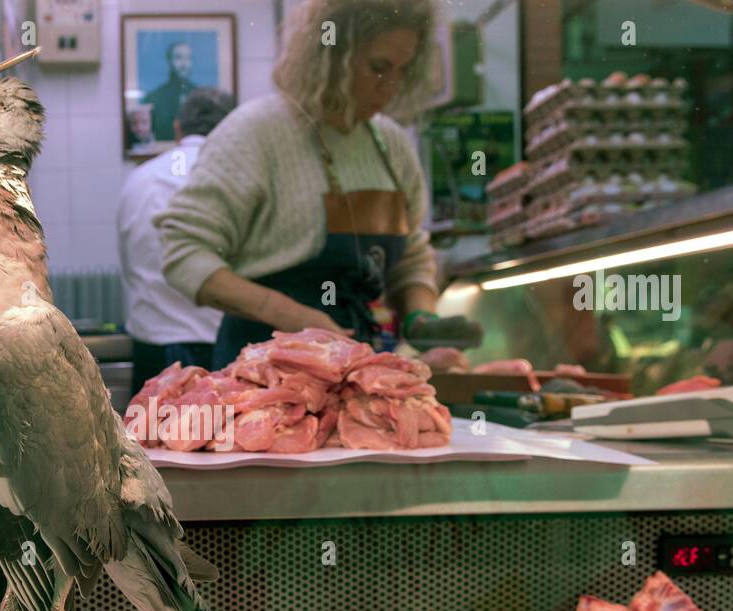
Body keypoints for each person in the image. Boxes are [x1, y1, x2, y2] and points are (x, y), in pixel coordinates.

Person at [157, 0, 482, 369]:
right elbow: (184, 251)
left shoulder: (391, 145)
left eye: (403, 69)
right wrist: (291, 316)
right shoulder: (256, 132)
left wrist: (420, 318)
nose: (391, 86)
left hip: (354, 366)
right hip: (261, 371)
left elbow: (411, 257)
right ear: (333, 56)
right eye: (378, 68)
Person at [118, 87, 235, 393]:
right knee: (221, 426)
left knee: (152, 425)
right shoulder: (238, 178)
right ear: (231, 127)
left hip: (152, 350)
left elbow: (129, 264)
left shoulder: (139, 178)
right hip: (223, 349)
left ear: (178, 127)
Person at [143, 41, 196, 143]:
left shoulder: (201, 97)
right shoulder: (153, 98)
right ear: (169, 61)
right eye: (178, 57)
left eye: (188, 58)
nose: (184, 64)